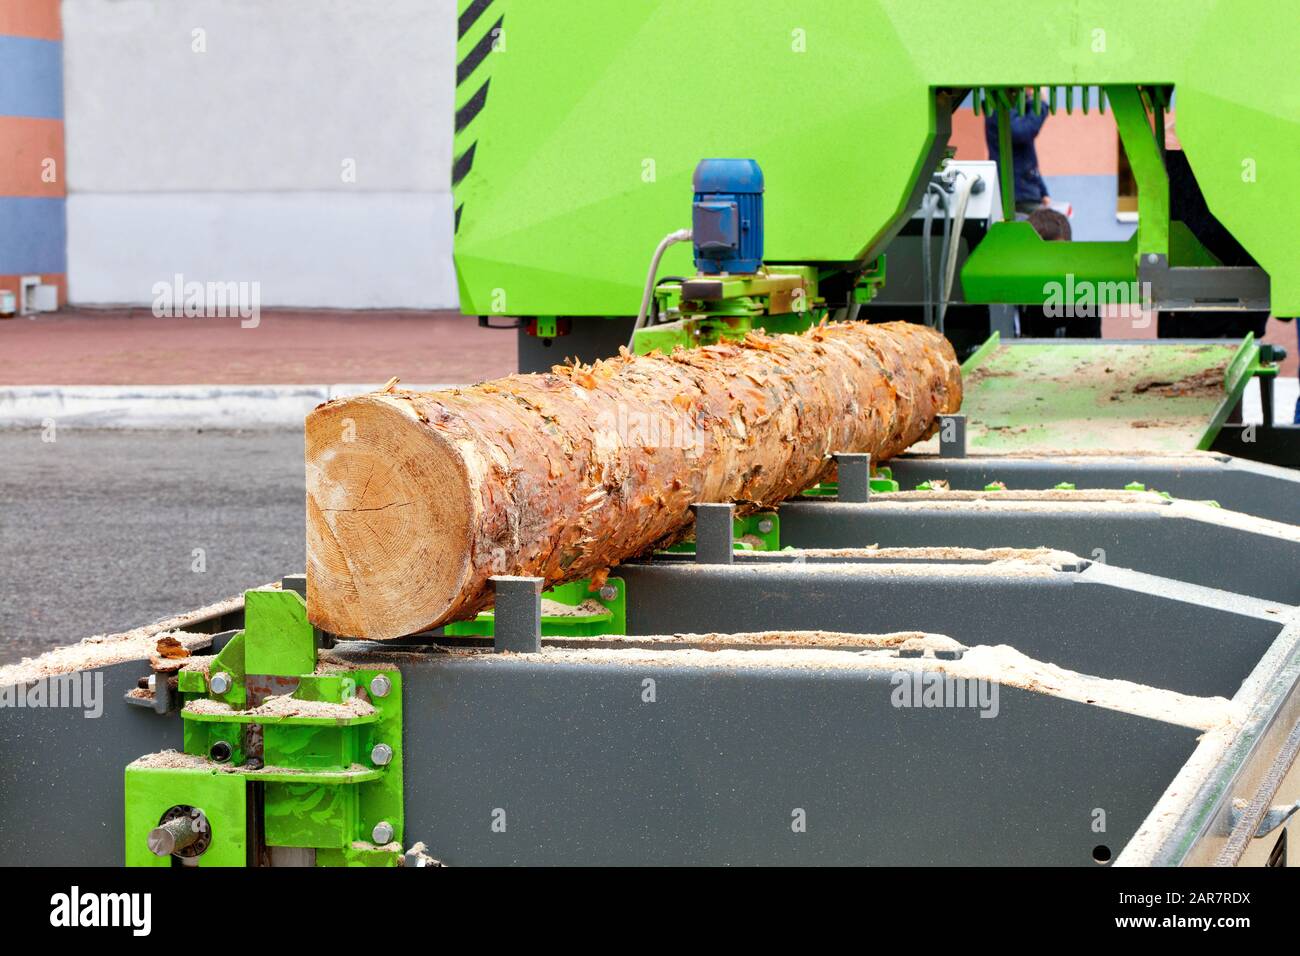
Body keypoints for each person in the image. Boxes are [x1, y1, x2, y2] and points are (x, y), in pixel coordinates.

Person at [1018, 208, 1101, 338]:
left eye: (1056, 256)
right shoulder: (1014, 288)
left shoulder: (1082, 293)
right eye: (1042, 257)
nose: (1048, 265)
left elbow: (1087, 348)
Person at [985, 102, 1050, 214]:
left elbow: (1027, 157)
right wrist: (1040, 104)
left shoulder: (1018, 108)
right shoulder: (1003, 106)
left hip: (1024, 191)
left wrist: (1042, 191)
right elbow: (1019, 132)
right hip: (1017, 192)